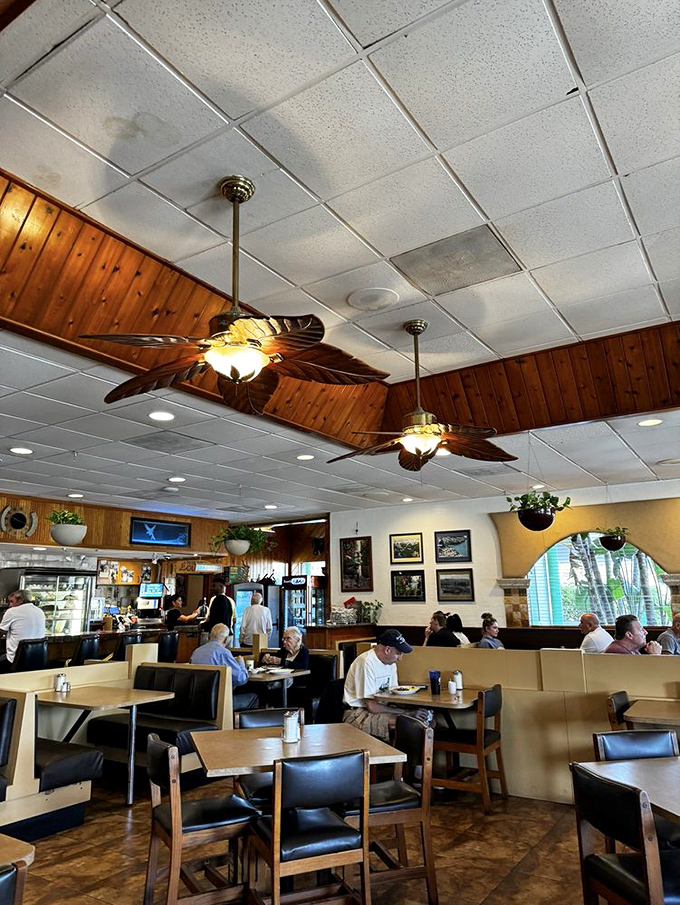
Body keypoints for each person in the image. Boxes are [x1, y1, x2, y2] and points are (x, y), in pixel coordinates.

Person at [343, 629, 429, 741]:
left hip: (381, 708)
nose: (400, 658)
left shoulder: (390, 663)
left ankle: (408, 757)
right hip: (358, 714)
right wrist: (407, 713)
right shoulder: (366, 663)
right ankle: (402, 757)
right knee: (412, 725)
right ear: (388, 650)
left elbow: (393, 694)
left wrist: (411, 708)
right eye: (398, 653)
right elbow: (372, 706)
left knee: (426, 720)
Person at [190, 624, 258, 710]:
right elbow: (241, 679)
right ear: (226, 639)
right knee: (254, 697)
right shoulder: (224, 653)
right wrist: (241, 664)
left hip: (196, 700)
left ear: (209, 636)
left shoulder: (196, 652)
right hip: (218, 702)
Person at [0, 589, 46, 673]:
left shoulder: (12, 612)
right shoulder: (40, 611)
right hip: (38, 659)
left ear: (20, 600)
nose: (10, 605)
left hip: (16, 660)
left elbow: (1, 632)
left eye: (12, 601)